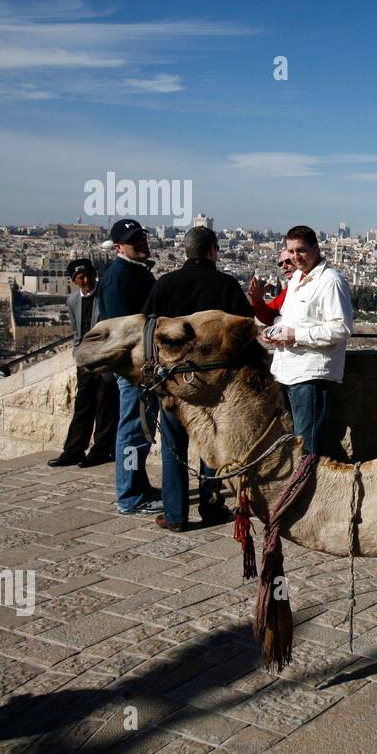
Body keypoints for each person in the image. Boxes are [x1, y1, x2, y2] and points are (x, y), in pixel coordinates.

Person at [143, 226, 254, 531]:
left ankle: (176, 515)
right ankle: (212, 506)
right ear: (212, 250)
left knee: (173, 447)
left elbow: (147, 332)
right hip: (211, 384)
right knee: (211, 446)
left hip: (173, 382)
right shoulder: (225, 285)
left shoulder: (165, 285)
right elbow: (246, 329)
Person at [262, 225, 352, 456]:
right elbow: (294, 319)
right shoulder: (296, 280)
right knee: (303, 443)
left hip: (311, 375)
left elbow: (341, 327)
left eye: (300, 250)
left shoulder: (331, 281)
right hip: (287, 372)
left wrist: (295, 336)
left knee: (308, 446)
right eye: (291, 251)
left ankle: (310, 491)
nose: (295, 257)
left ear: (316, 248)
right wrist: (276, 331)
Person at [97, 218, 160, 516]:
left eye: (143, 238)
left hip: (142, 367)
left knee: (139, 431)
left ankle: (137, 486)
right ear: (119, 246)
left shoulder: (134, 272)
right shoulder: (120, 277)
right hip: (135, 369)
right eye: (135, 241)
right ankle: (131, 495)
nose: (143, 244)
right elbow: (125, 330)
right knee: (133, 432)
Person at [48, 258, 118, 468]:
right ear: (74, 280)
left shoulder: (105, 295)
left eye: (88, 275)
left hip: (105, 359)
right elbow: (76, 333)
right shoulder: (72, 301)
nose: (86, 280)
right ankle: (74, 450)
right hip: (86, 363)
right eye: (81, 277)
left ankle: (101, 450)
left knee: (105, 407)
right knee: (83, 406)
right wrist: (78, 356)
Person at [247, 248, 296, 325]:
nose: (284, 266)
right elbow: (270, 317)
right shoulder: (288, 291)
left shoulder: (315, 285)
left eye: (288, 261)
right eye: (280, 264)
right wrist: (257, 300)